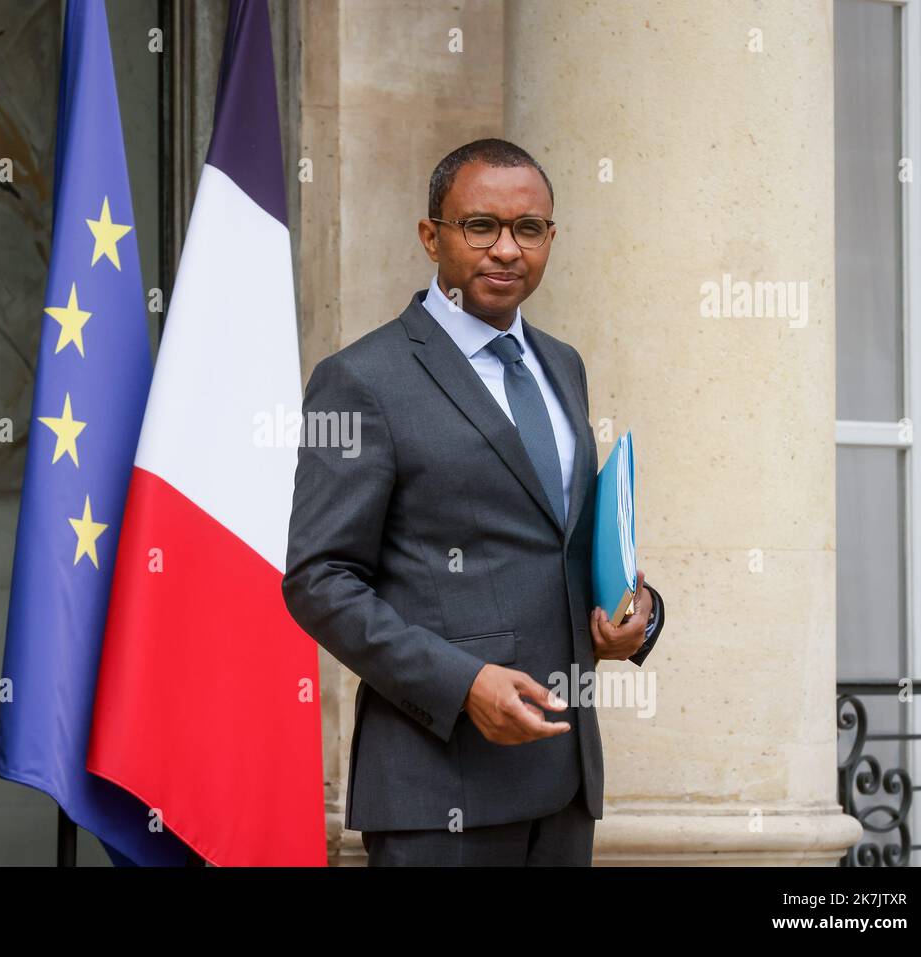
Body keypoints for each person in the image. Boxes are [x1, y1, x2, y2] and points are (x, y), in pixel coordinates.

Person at [281, 138, 665, 866]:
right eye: (480, 225)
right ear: (432, 236)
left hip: (564, 788)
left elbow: (563, 545)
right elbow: (318, 579)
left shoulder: (562, 364)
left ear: (550, 237)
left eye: (529, 229)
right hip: (437, 790)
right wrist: (464, 685)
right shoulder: (362, 379)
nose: (506, 250)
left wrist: (637, 617)